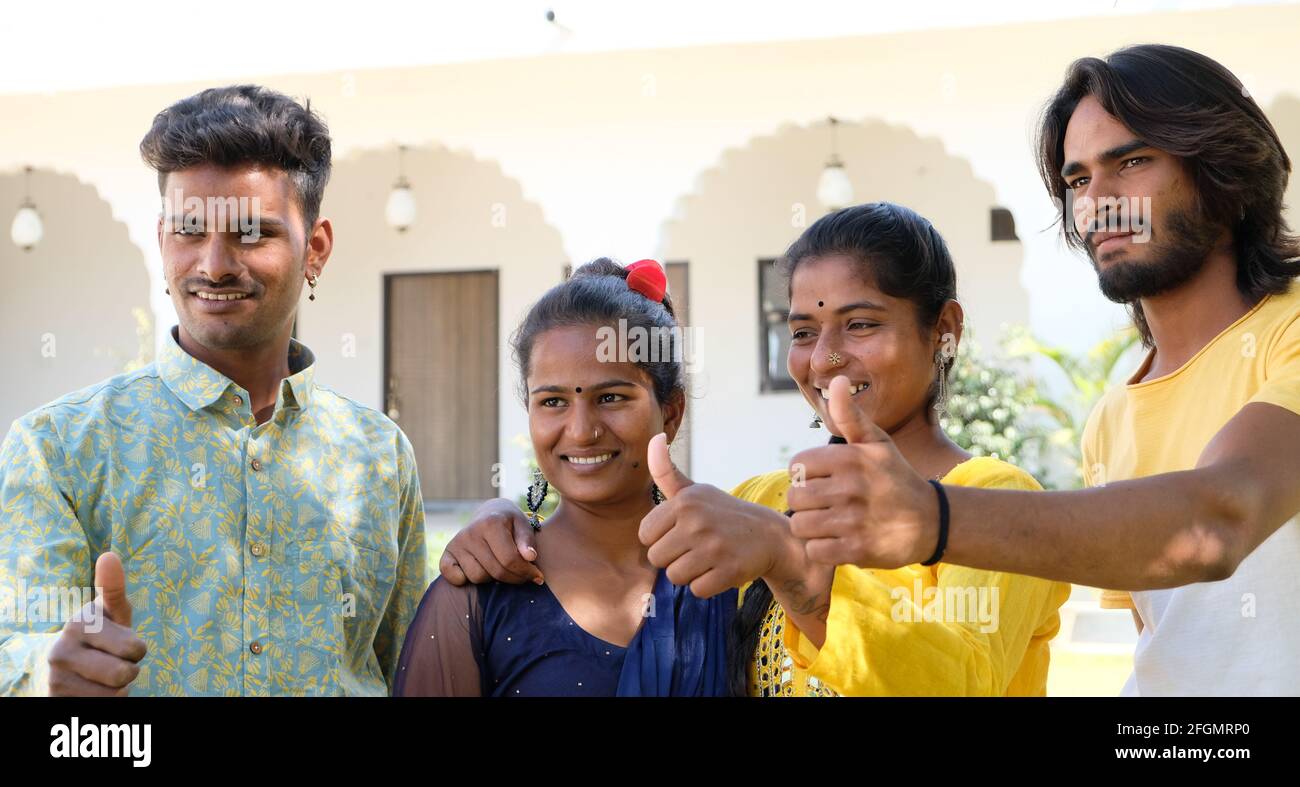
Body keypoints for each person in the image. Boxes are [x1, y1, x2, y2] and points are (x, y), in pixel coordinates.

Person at [780, 45, 1300, 696]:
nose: (1097, 202)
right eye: (1078, 180)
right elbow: (1179, 655)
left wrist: (933, 517)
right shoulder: (1114, 416)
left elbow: (1220, 520)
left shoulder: (1289, 334)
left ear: (1223, 171)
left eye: (1131, 161)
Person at [441, 205, 1072, 696]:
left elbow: (963, 680)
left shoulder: (991, 500)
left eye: (860, 324)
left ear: (944, 330)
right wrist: (511, 516)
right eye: (803, 331)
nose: (824, 358)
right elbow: (613, 488)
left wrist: (792, 564)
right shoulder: (768, 499)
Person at [0, 85, 426, 696]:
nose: (215, 263)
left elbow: (413, 668)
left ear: (317, 249)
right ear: (161, 238)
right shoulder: (58, 449)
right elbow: (12, 644)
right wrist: (46, 672)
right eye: (190, 230)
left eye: (252, 233)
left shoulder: (379, 456)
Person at [393, 259, 734, 696]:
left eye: (611, 397)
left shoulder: (729, 578)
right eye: (553, 402)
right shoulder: (475, 599)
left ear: (670, 413)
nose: (581, 431)